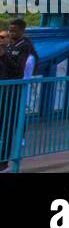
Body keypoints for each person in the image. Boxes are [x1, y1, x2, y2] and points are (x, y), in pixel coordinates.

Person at [0, 19, 37, 172]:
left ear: (22, 30)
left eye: (14, 30)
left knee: (7, 127)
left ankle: (4, 162)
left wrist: (3, 56)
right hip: (3, 90)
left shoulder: (25, 47)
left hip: (13, 91)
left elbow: (18, 70)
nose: (11, 32)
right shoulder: (8, 45)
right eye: (10, 29)